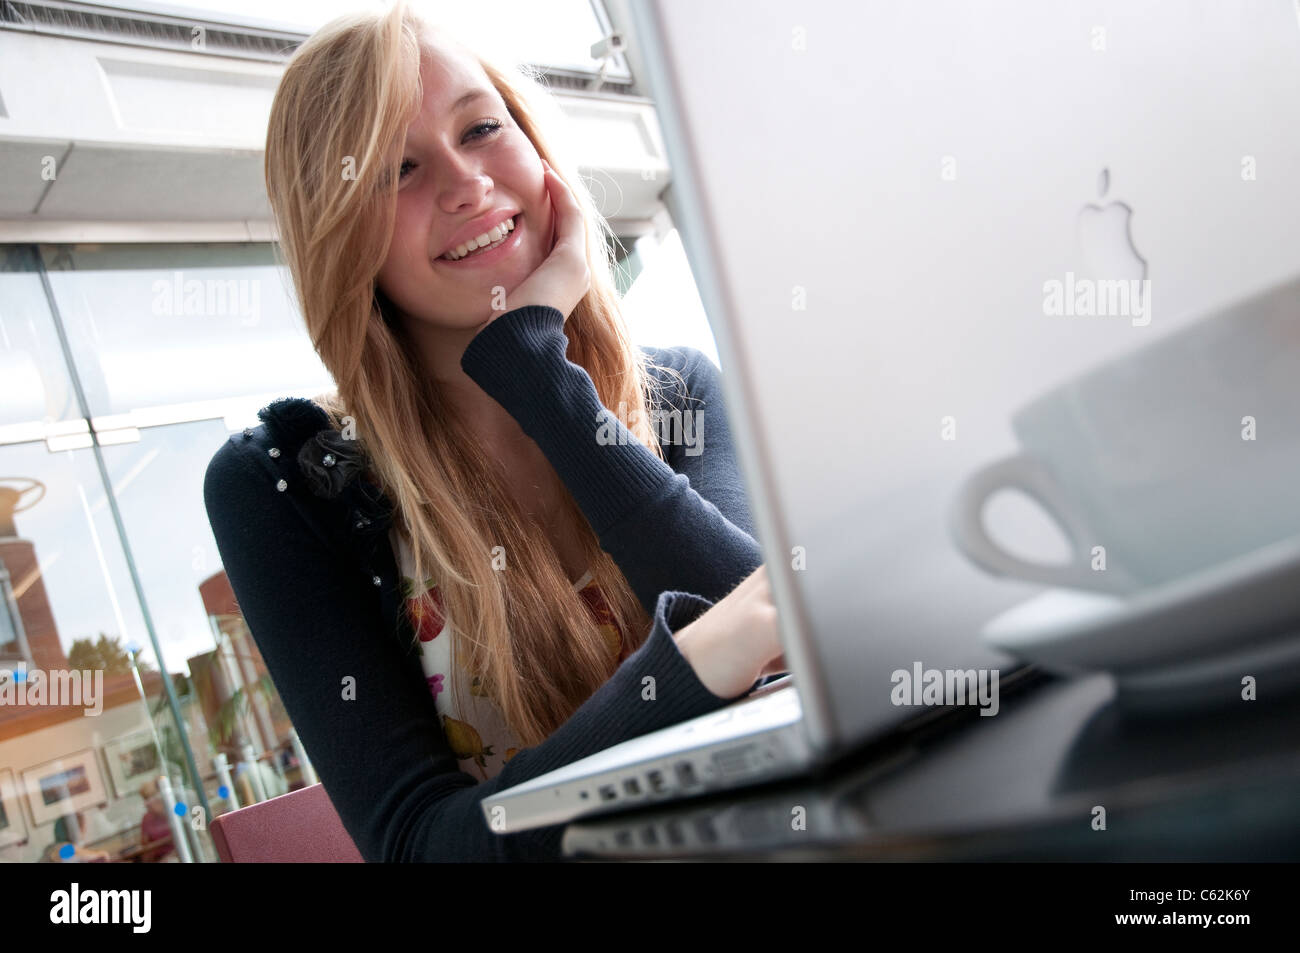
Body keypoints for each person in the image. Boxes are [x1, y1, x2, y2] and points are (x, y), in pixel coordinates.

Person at [203, 1, 784, 862]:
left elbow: (779, 663)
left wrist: (535, 371)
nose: (464, 182)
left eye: (480, 127)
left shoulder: (676, 389)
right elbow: (420, 845)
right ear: (340, 237)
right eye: (396, 170)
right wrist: (693, 665)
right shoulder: (287, 485)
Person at [137, 779, 176, 862]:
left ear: (160, 796)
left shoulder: (178, 807)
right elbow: (145, 849)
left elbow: (192, 831)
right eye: (144, 799)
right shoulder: (146, 818)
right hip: (160, 859)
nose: (145, 804)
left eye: (148, 798)